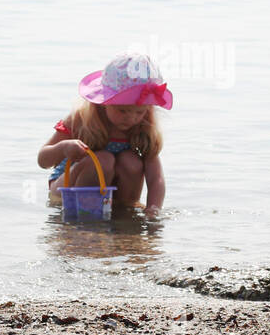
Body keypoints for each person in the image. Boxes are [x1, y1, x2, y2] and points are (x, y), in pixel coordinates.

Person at [38, 53, 171, 218]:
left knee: (131, 162)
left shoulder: (143, 128)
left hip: (113, 195)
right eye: (122, 110)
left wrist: (153, 210)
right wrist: (63, 148)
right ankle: (86, 217)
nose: (130, 118)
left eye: (139, 112)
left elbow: (156, 178)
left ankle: (124, 213)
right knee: (104, 160)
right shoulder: (81, 120)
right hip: (67, 189)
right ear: (103, 102)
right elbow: (43, 161)